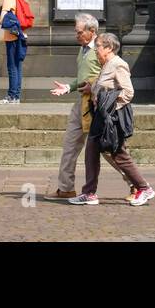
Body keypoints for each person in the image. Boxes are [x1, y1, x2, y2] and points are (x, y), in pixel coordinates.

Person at [70, 33, 155, 206]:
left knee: (118, 153)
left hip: (111, 117)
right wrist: (91, 87)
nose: (95, 50)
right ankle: (89, 193)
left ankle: (144, 188)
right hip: (100, 116)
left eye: (98, 46)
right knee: (91, 152)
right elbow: (106, 84)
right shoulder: (106, 64)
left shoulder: (118, 64)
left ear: (109, 48)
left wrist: (110, 107)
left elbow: (128, 92)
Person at [49, 13, 102, 200]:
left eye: (80, 32)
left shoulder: (101, 49)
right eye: (76, 32)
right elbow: (83, 77)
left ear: (92, 31)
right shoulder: (83, 49)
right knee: (69, 145)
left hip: (96, 104)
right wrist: (69, 87)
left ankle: (136, 185)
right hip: (80, 102)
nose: (76, 36)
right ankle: (65, 188)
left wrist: (94, 87)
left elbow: (111, 75)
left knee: (110, 150)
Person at [0, 0, 25, 104]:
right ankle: (16, 96)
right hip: (19, 36)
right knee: (18, 67)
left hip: (11, 37)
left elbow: (2, 19)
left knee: (12, 67)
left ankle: (11, 96)